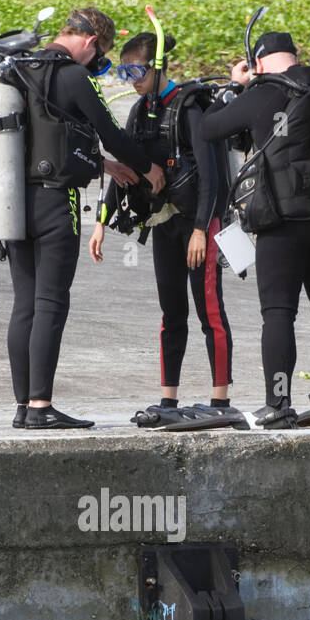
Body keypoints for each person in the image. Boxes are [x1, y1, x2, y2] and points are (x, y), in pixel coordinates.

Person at [5, 8, 165, 430]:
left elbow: (47, 135)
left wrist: (103, 167)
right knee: (51, 302)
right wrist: (148, 168)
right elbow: (110, 131)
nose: (96, 64)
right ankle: (42, 406)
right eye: (102, 54)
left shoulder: (18, 70)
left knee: (25, 302)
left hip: (11, 202)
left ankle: (24, 407)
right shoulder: (73, 77)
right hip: (56, 202)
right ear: (92, 41)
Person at [200, 31, 310, 428]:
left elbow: (209, 129)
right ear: (295, 56)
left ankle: (279, 404)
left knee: (278, 315)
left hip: (279, 224)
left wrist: (237, 87)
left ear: (258, 61)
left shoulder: (262, 93)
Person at [88, 30, 237, 429]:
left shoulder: (190, 110)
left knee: (210, 312)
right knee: (172, 313)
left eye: (136, 70)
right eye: (124, 71)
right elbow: (127, 170)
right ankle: (168, 396)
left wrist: (203, 231)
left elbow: (214, 178)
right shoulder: (140, 112)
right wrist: (101, 222)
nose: (130, 79)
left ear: (156, 68)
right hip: (164, 224)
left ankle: (220, 398)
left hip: (197, 224)